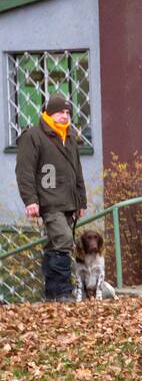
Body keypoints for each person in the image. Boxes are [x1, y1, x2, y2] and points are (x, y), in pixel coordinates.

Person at [15, 93, 86, 301]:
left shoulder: (70, 136)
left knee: (56, 245)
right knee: (63, 240)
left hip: (69, 201)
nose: (64, 116)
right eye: (59, 112)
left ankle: (53, 293)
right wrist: (30, 200)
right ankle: (63, 291)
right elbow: (25, 171)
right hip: (49, 201)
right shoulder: (33, 136)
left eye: (67, 112)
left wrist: (81, 201)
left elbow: (77, 171)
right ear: (48, 113)